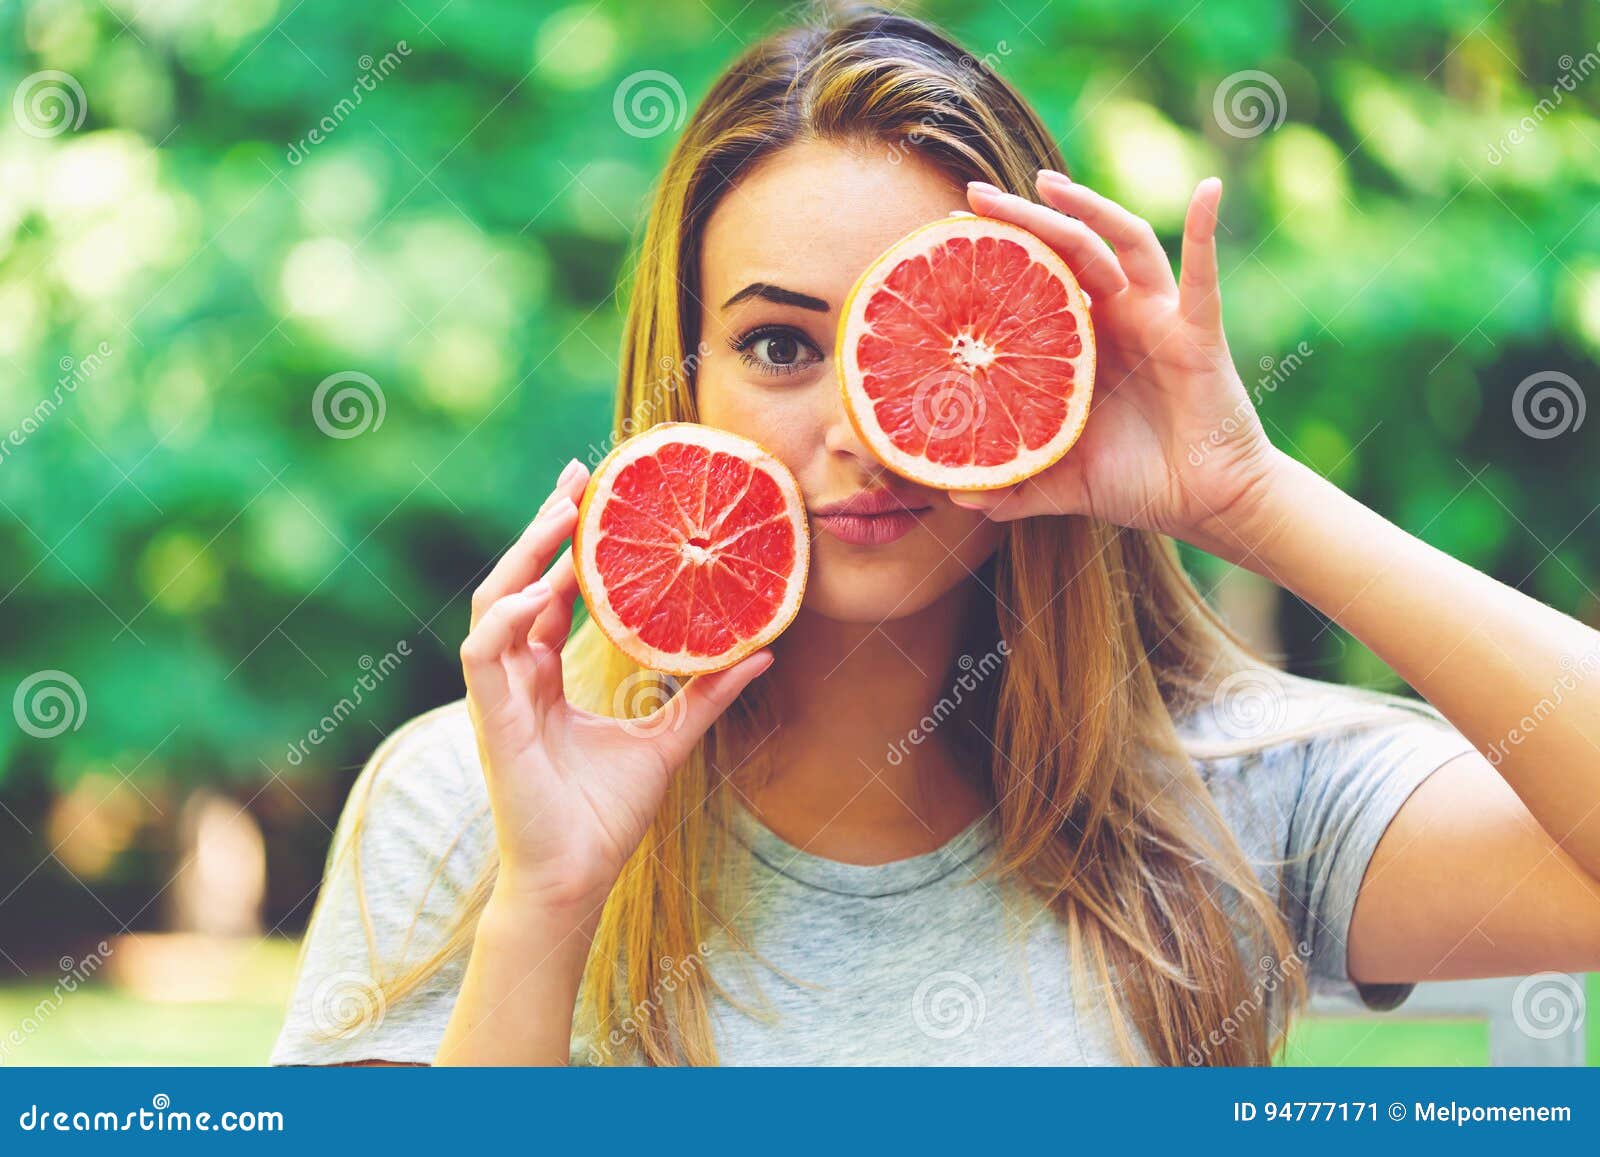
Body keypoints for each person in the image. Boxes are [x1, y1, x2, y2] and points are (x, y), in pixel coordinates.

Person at [271, 6, 1600, 1067]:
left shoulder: (1232, 801)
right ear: (685, 382)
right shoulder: (479, 804)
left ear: (1047, 356)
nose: (857, 426)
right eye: (782, 344)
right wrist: (546, 910)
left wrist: (1249, 497)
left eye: (928, 345)